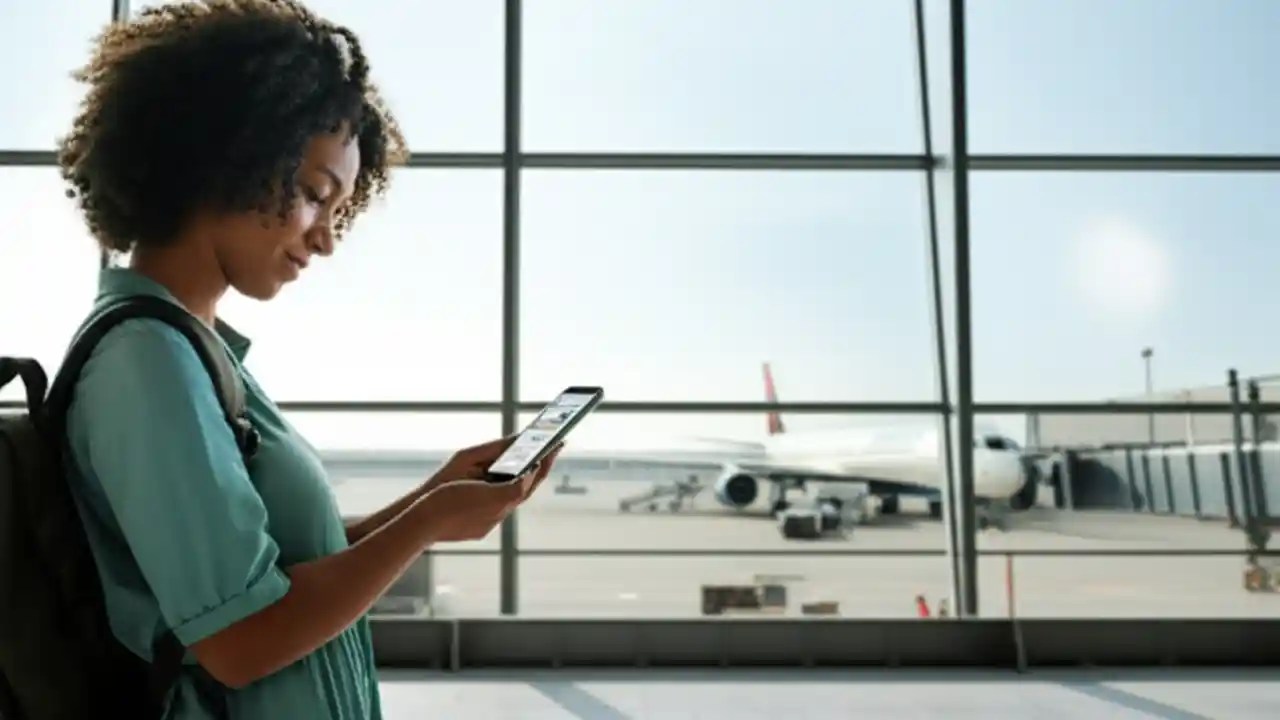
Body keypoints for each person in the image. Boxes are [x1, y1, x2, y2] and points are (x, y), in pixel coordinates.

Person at [54, 1, 559, 717]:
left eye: (338, 211)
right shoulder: (147, 362)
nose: (324, 239)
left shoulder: (194, 355)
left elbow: (273, 573)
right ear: (228, 156)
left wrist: (429, 500)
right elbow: (241, 639)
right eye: (315, 196)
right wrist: (426, 525)